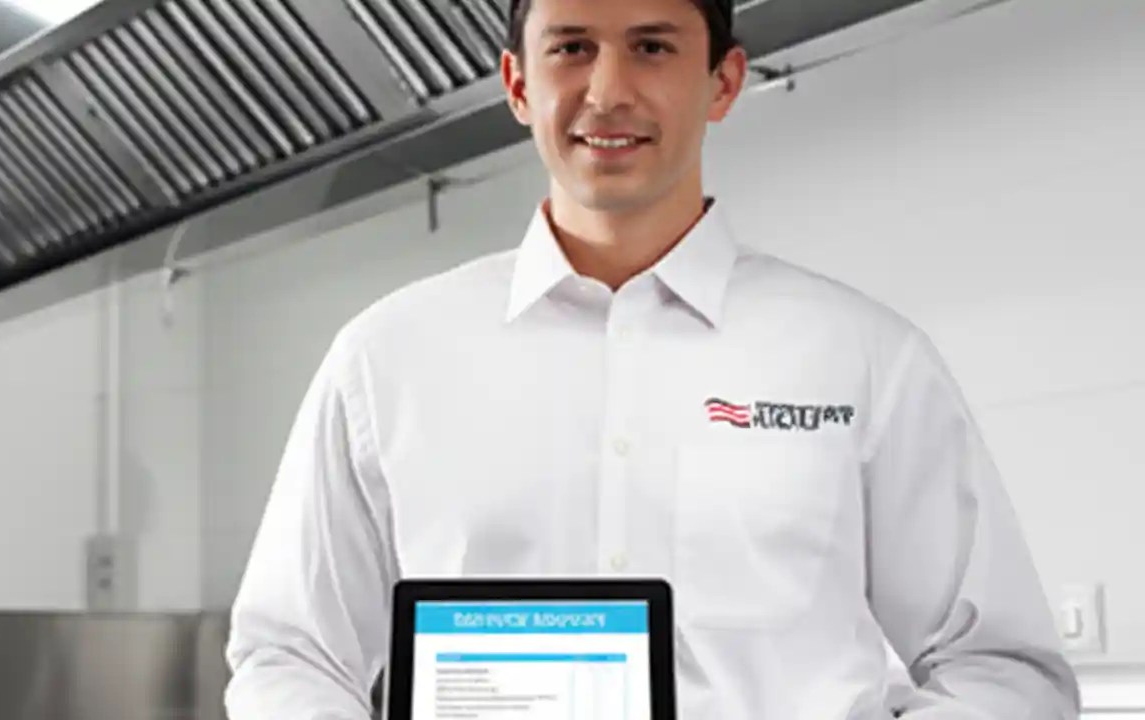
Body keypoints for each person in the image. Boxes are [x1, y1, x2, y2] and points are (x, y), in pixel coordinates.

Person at [224, 0, 1080, 716]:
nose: (608, 90)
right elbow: (288, 656)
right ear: (519, 84)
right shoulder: (386, 360)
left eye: (652, 47)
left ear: (723, 81)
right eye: (571, 48)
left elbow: (1004, 671)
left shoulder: (864, 358)